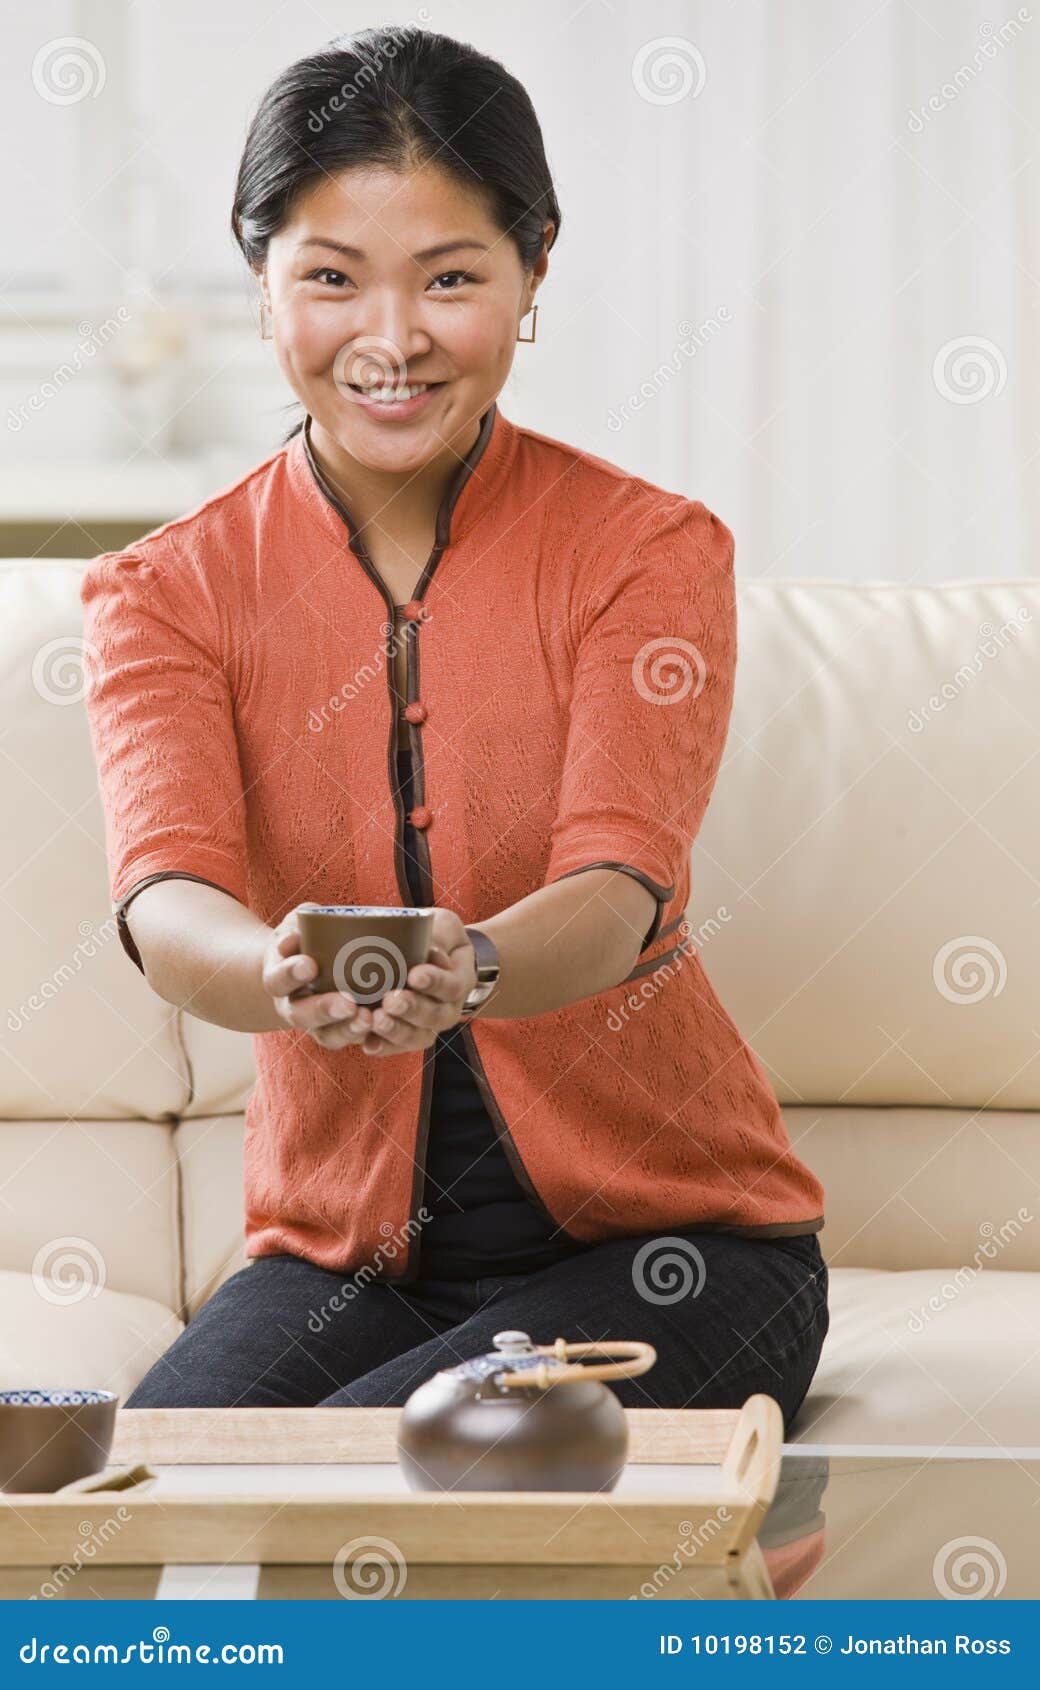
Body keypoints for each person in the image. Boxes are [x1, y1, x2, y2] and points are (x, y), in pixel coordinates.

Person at [80, 26, 828, 1431]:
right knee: (143, 1516)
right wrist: (279, 968)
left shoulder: (644, 553)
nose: (391, 339)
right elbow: (167, 895)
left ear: (534, 272)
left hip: (683, 1256)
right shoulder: (165, 592)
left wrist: (470, 963)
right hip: (340, 1266)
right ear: (261, 284)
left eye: (451, 279)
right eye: (330, 279)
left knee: (404, 1461)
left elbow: (616, 894)